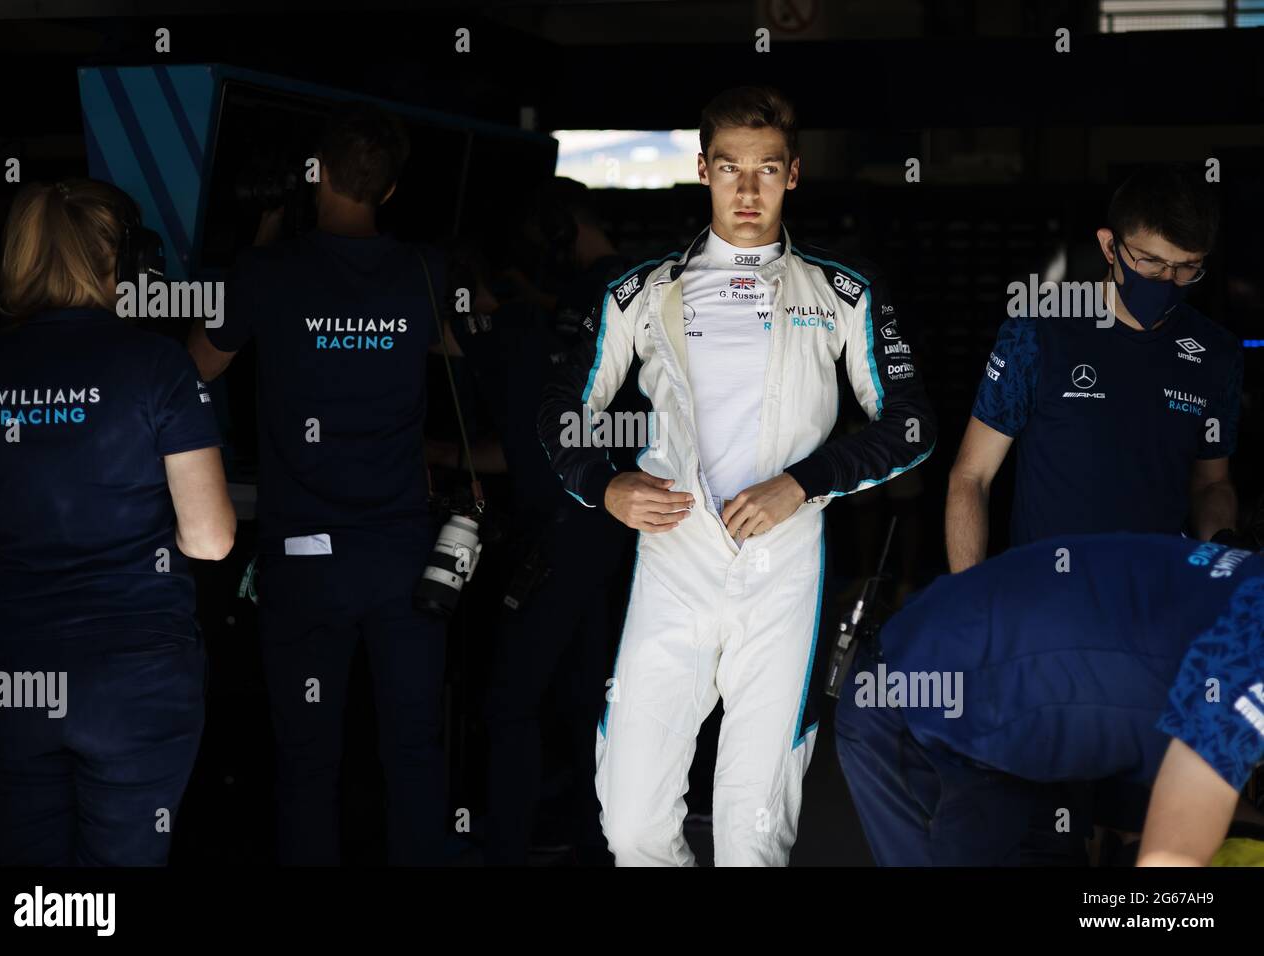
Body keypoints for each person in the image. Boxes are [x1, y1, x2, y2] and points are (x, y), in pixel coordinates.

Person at [538, 86, 936, 866]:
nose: (747, 191)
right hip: (673, 560)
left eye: (765, 170)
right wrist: (604, 484)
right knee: (631, 825)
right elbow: (561, 407)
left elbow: (912, 424)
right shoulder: (639, 291)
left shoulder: (842, 290)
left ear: (794, 173)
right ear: (702, 170)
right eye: (729, 169)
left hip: (786, 569)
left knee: (753, 835)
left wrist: (804, 481)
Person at [187, 102, 448, 865]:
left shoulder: (267, 272)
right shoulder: (426, 271)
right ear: (392, 190)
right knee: (414, 747)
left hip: (304, 556)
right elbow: (476, 343)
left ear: (318, 175)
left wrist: (265, 242)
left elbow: (195, 367)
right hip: (406, 552)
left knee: (306, 760)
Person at [0, 179, 234, 865]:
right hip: (134, 679)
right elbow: (210, 539)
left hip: (15, 673)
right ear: (127, 262)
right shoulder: (158, 366)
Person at [835, 533, 1264, 866]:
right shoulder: (1252, 655)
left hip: (1012, 723)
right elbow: (1169, 863)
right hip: (915, 705)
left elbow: (1212, 781)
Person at [449, 180, 638, 865]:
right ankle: (591, 835)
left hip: (572, 520)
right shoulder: (615, 289)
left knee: (511, 699)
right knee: (587, 690)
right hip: (612, 521)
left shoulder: (561, 315)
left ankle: (508, 845)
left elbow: (530, 442)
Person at [946, 164, 1243, 573]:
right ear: (1109, 247)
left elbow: (1212, 483)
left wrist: (1224, 556)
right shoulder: (1036, 333)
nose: (1169, 280)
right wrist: (969, 601)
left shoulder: (1216, 352)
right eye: (1152, 263)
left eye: (1187, 267)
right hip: (1049, 598)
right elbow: (971, 476)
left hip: (1157, 599)